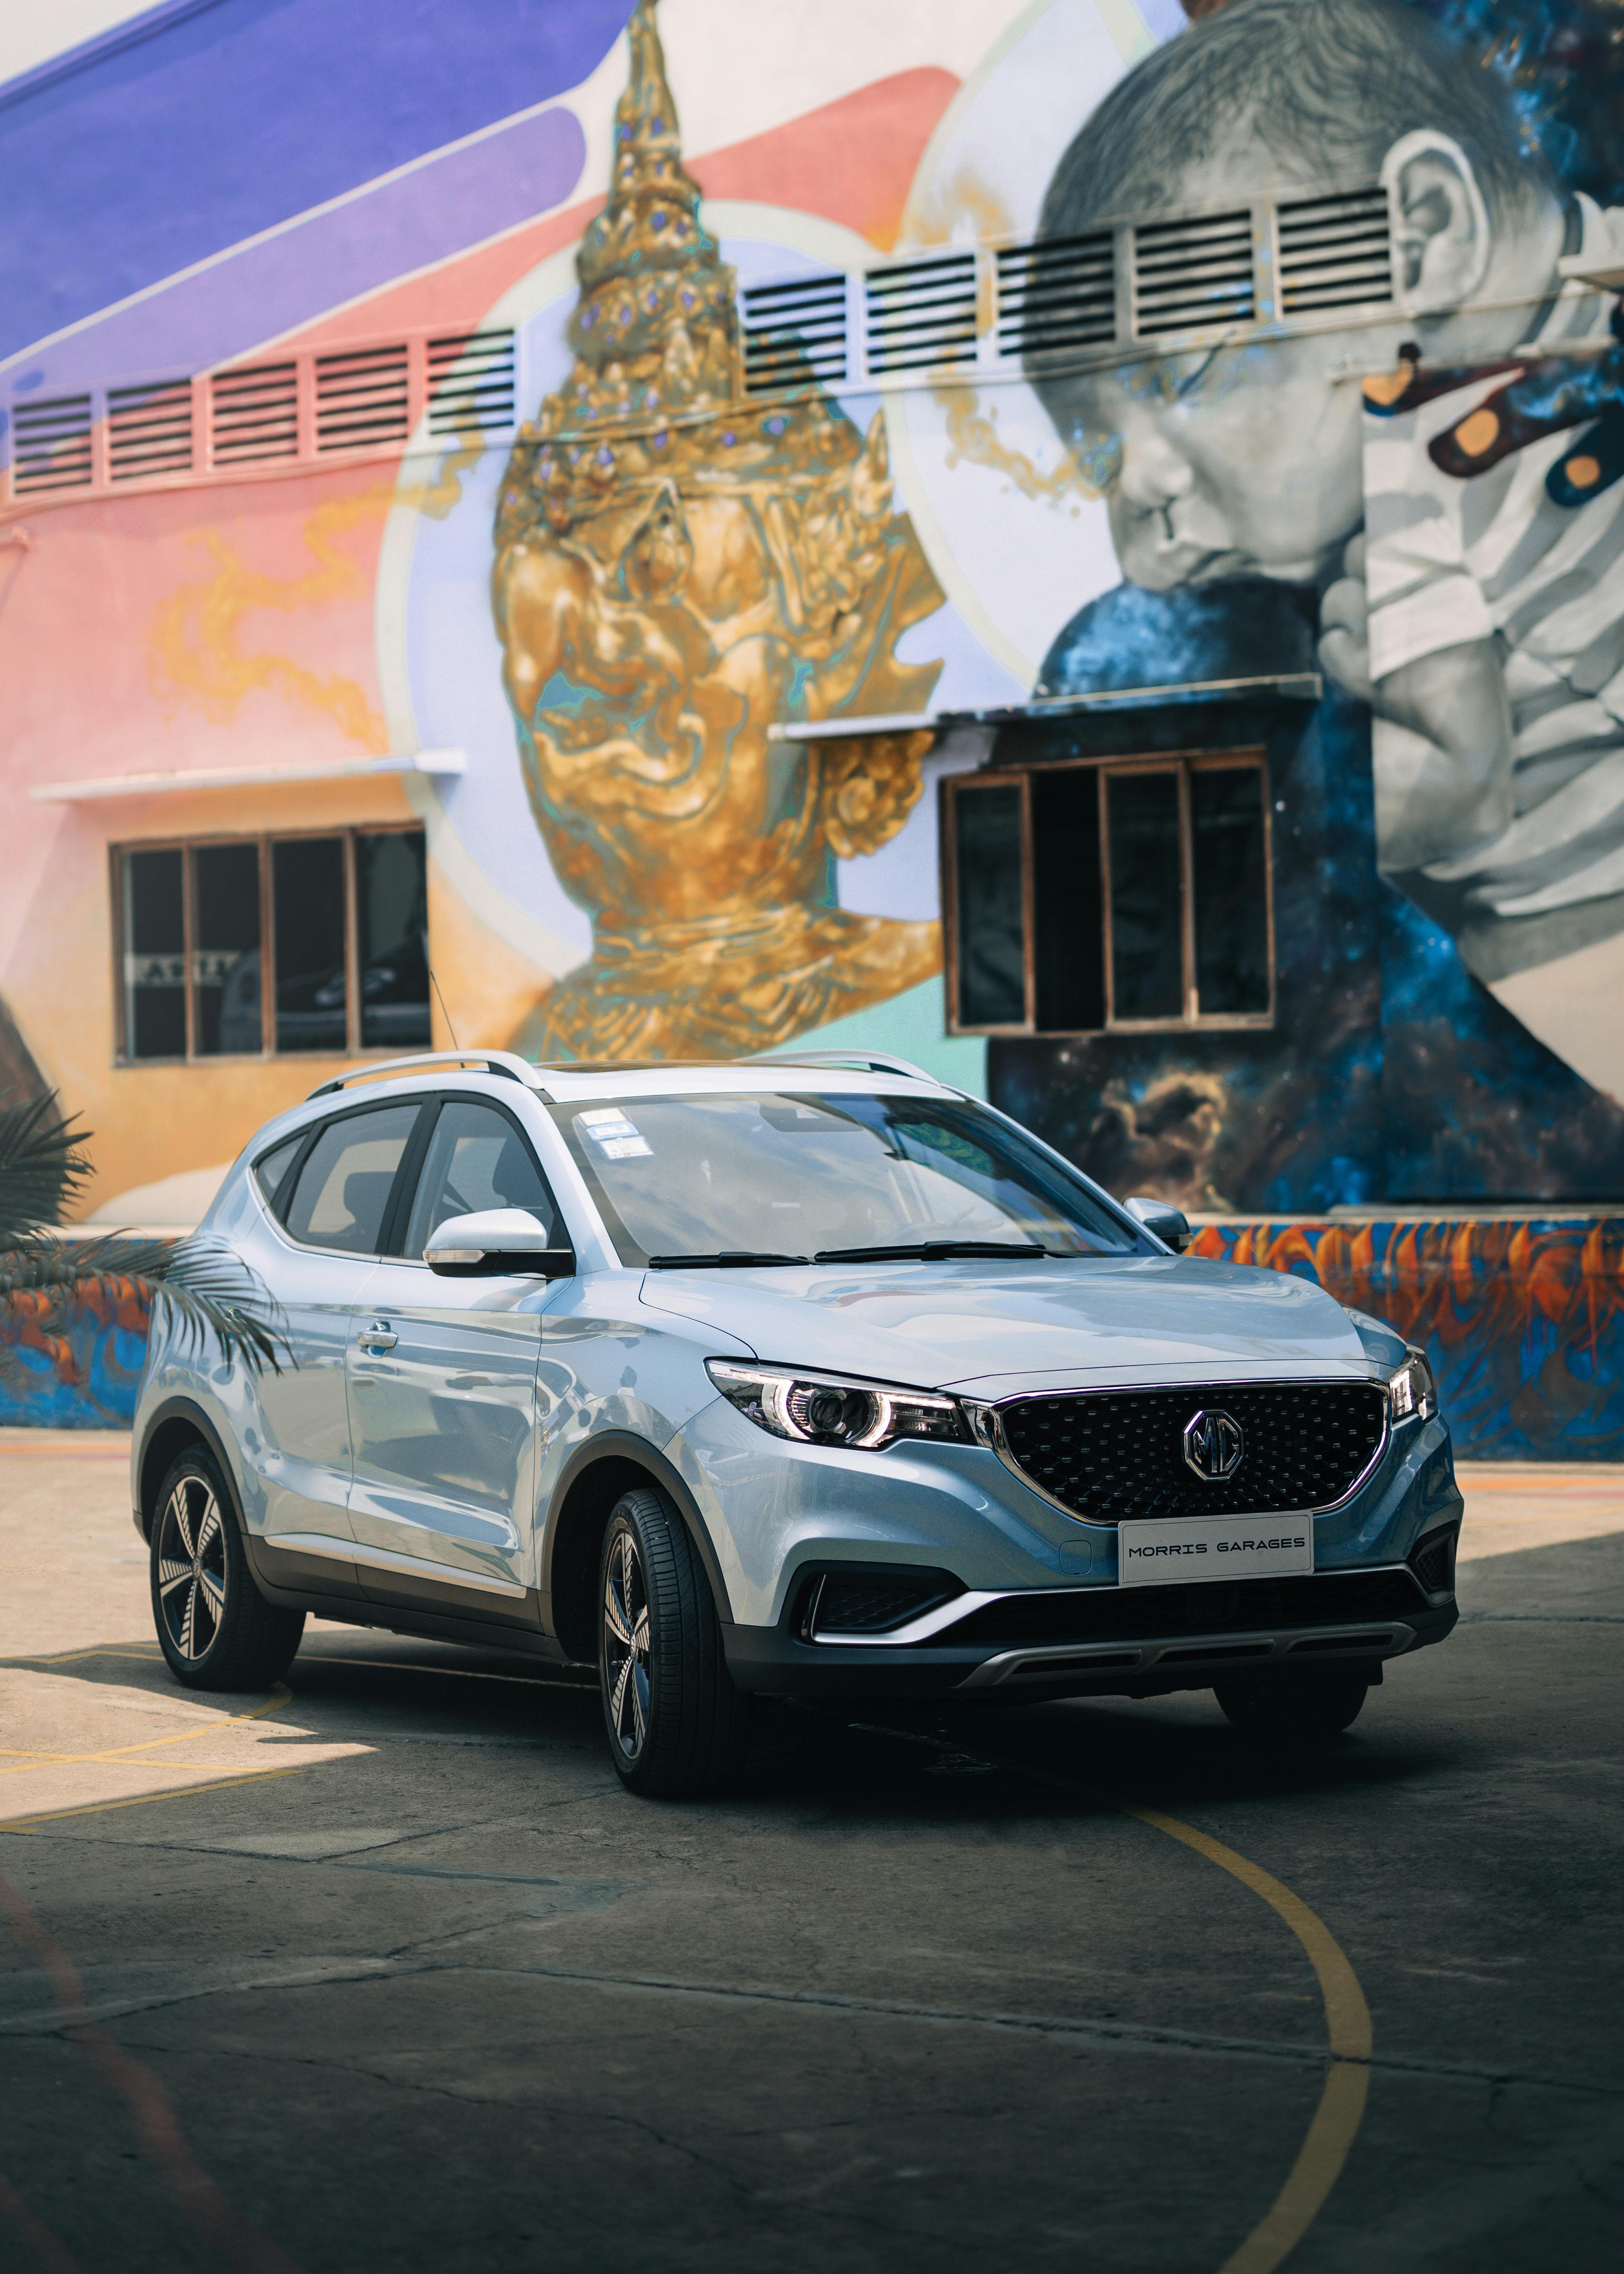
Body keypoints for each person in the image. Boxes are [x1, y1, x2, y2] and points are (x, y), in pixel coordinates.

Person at [1028, 0, 1624, 986]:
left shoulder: (1457, 462)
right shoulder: (1463, 419)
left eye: (1181, 373)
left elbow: (1437, 791)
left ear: (1416, 239)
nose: (1139, 493)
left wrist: (1387, 761)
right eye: (1095, 450)